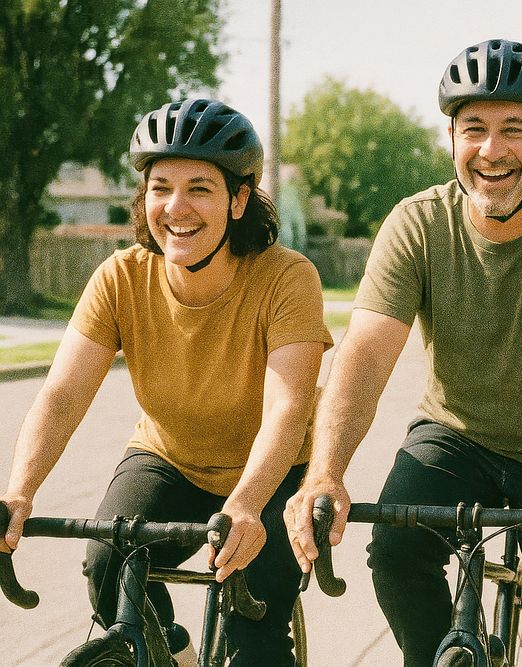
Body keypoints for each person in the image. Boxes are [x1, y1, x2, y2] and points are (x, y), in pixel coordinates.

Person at [284, 39, 522, 665]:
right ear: (451, 137)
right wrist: (325, 472)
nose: (492, 149)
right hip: (454, 436)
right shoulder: (417, 222)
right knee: (394, 553)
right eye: (474, 128)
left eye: (513, 129)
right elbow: (364, 356)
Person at [0, 98, 332, 665]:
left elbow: (288, 408)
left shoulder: (287, 277)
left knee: (255, 633)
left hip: (271, 475)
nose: (176, 207)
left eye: (200, 187)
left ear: (239, 200)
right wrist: (18, 493)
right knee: (108, 564)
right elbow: (60, 396)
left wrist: (248, 505)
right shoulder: (120, 277)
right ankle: (168, 651)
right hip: (169, 458)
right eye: (160, 187)